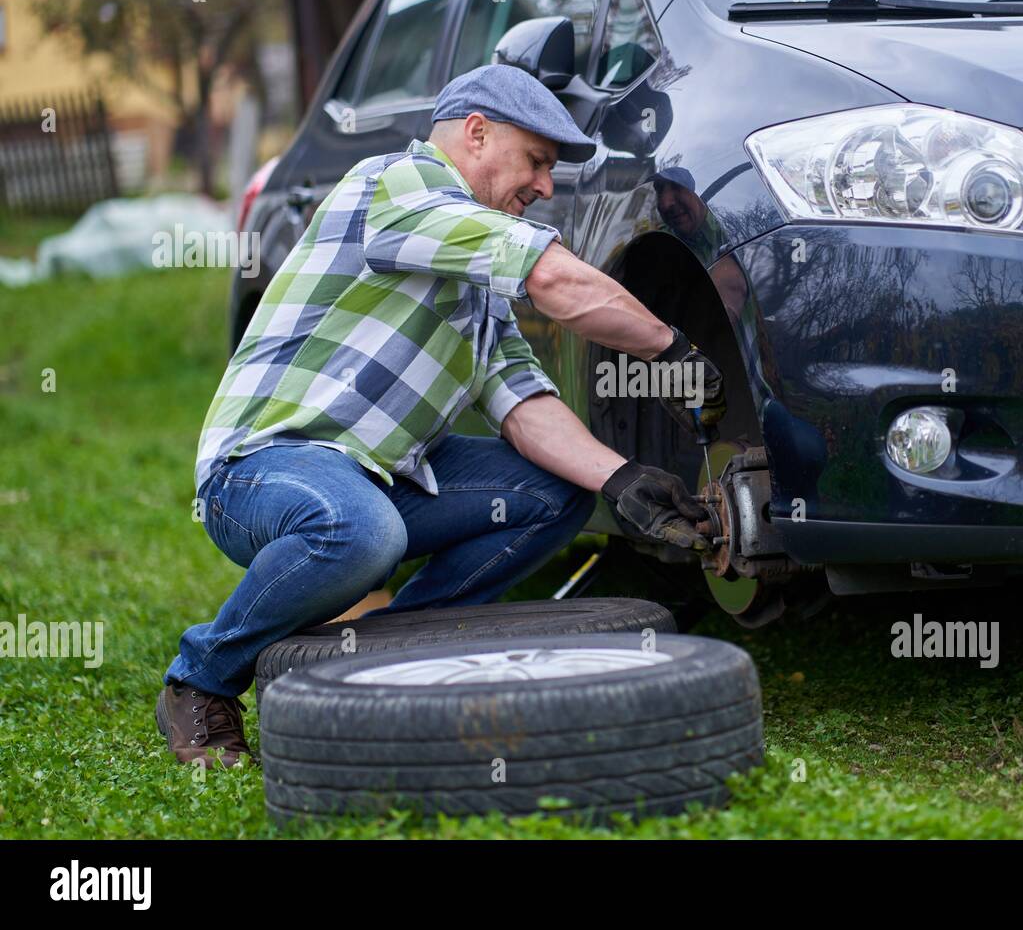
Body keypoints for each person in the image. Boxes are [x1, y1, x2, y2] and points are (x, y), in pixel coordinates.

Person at [156, 64, 726, 769]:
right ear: (477, 134)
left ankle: (371, 665)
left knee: (556, 492)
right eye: (538, 161)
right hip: (262, 470)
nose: (546, 187)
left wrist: (622, 479)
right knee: (360, 533)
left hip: (382, 480)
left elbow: (524, 406)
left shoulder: (475, 279)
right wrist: (670, 347)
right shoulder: (397, 185)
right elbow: (550, 278)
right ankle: (201, 677)